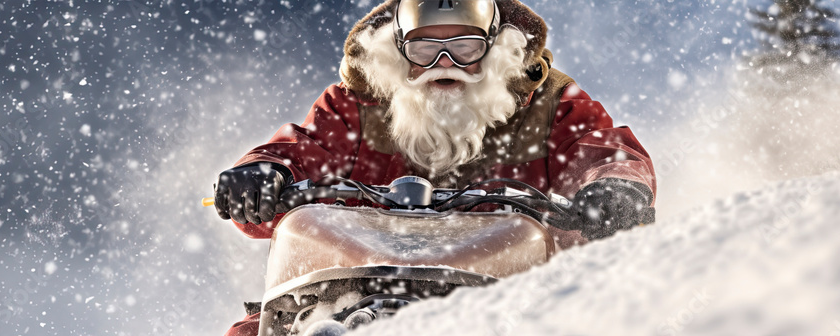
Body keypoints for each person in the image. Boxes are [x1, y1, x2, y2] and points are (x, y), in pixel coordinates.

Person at [218, 1, 656, 335]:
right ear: (397, 47)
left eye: (465, 47)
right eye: (424, 48)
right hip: (354, 281)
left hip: (512, 292)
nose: (443, 64)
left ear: (496, 47)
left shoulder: (549, 102)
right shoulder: (355, 102)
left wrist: (616, 189)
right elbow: (304, 146)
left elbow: (601, 149)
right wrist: (263, 173)